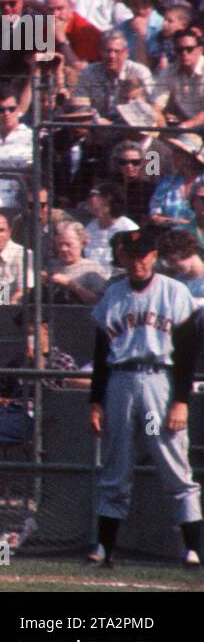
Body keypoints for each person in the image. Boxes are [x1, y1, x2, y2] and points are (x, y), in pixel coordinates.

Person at [88, 228, 202, 569]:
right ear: (121, 257)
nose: (138, 262)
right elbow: (100, 351)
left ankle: (193, 548)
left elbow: (187, 352)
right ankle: (105, 548)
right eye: (131, 255)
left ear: (154, 256)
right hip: (120, 382)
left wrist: (181, 400)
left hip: (158, 383)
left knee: (171, 460)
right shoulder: (113, 294)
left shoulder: (174, 292)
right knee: (115, 465)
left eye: (144, 255)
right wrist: (95, 400)